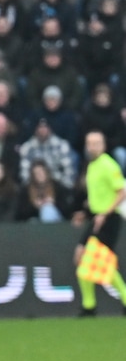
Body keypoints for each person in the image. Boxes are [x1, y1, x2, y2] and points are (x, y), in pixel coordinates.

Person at [74, 130, 126, 316]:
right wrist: (85, 213)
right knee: (80, 257)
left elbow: (121, 192)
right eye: (90, 143)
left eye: (96, 143)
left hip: (109, 218)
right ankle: (89, 305)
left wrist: (105, 213)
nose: (92, 146)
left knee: (97, 261)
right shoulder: (91, 165)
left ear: (103, 145)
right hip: (96, 217)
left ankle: (91, 306)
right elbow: (97, 195)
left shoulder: (108, 165)